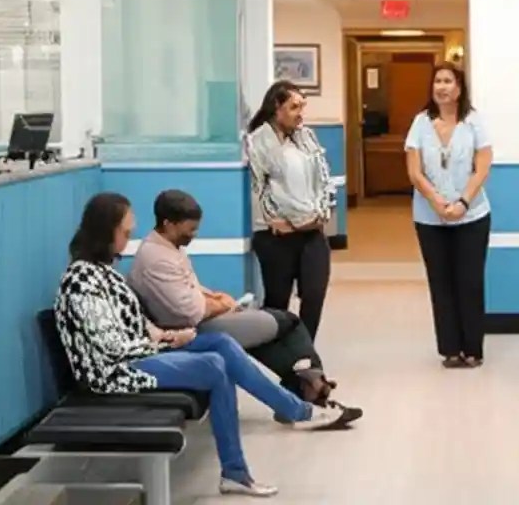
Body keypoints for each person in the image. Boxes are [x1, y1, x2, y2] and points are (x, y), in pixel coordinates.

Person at [54, 193, 355, 498]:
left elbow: (133, 325)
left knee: (222, 345)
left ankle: (279, 429)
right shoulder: (82, 280)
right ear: (106, 231)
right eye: (125, 232)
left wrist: (165, 336)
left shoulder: (105, 274)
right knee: (213, 366)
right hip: (115, 373)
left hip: (137, 355)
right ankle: (244, 463)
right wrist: (162, 342)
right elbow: (112, 349)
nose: (128, 239)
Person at [128, 189, 363, 422]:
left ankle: (306, 390)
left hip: (199, 322)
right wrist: (223, 304)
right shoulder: (156, 259)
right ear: (168, 224)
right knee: (288, 322)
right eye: (190, 229)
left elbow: (194, 291)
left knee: (270, 336)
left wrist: (221, 301)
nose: (195, 234)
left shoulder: (167, 249)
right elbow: (192, 310)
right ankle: (311, 389)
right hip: (191, 330)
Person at [405, 61, 493, 369]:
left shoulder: (474, 121)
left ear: (459, 88)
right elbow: (414, 172)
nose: (441, 87)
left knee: (469, 281)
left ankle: (473, 349)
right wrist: (437, 202)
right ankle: (450, 349)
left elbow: (483, 166)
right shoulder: (420, 123)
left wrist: (463, 203)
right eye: (437, 81)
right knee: (440, 283)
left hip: (472, 215)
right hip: (430, 218)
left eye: (448, 81)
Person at [245, 80, 336, 341]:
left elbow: (323, 176)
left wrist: (321, 212)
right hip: (277, 236)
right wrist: (288, 223)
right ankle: (279, 354)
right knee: (277, 302)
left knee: (315, 293)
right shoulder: (258, 142)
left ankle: (305, 351)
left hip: (312, 230)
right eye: (294, 107)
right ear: (277, 107)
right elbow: (260, 188)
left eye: (302, 106)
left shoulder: (306, 136)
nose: (300, 113)